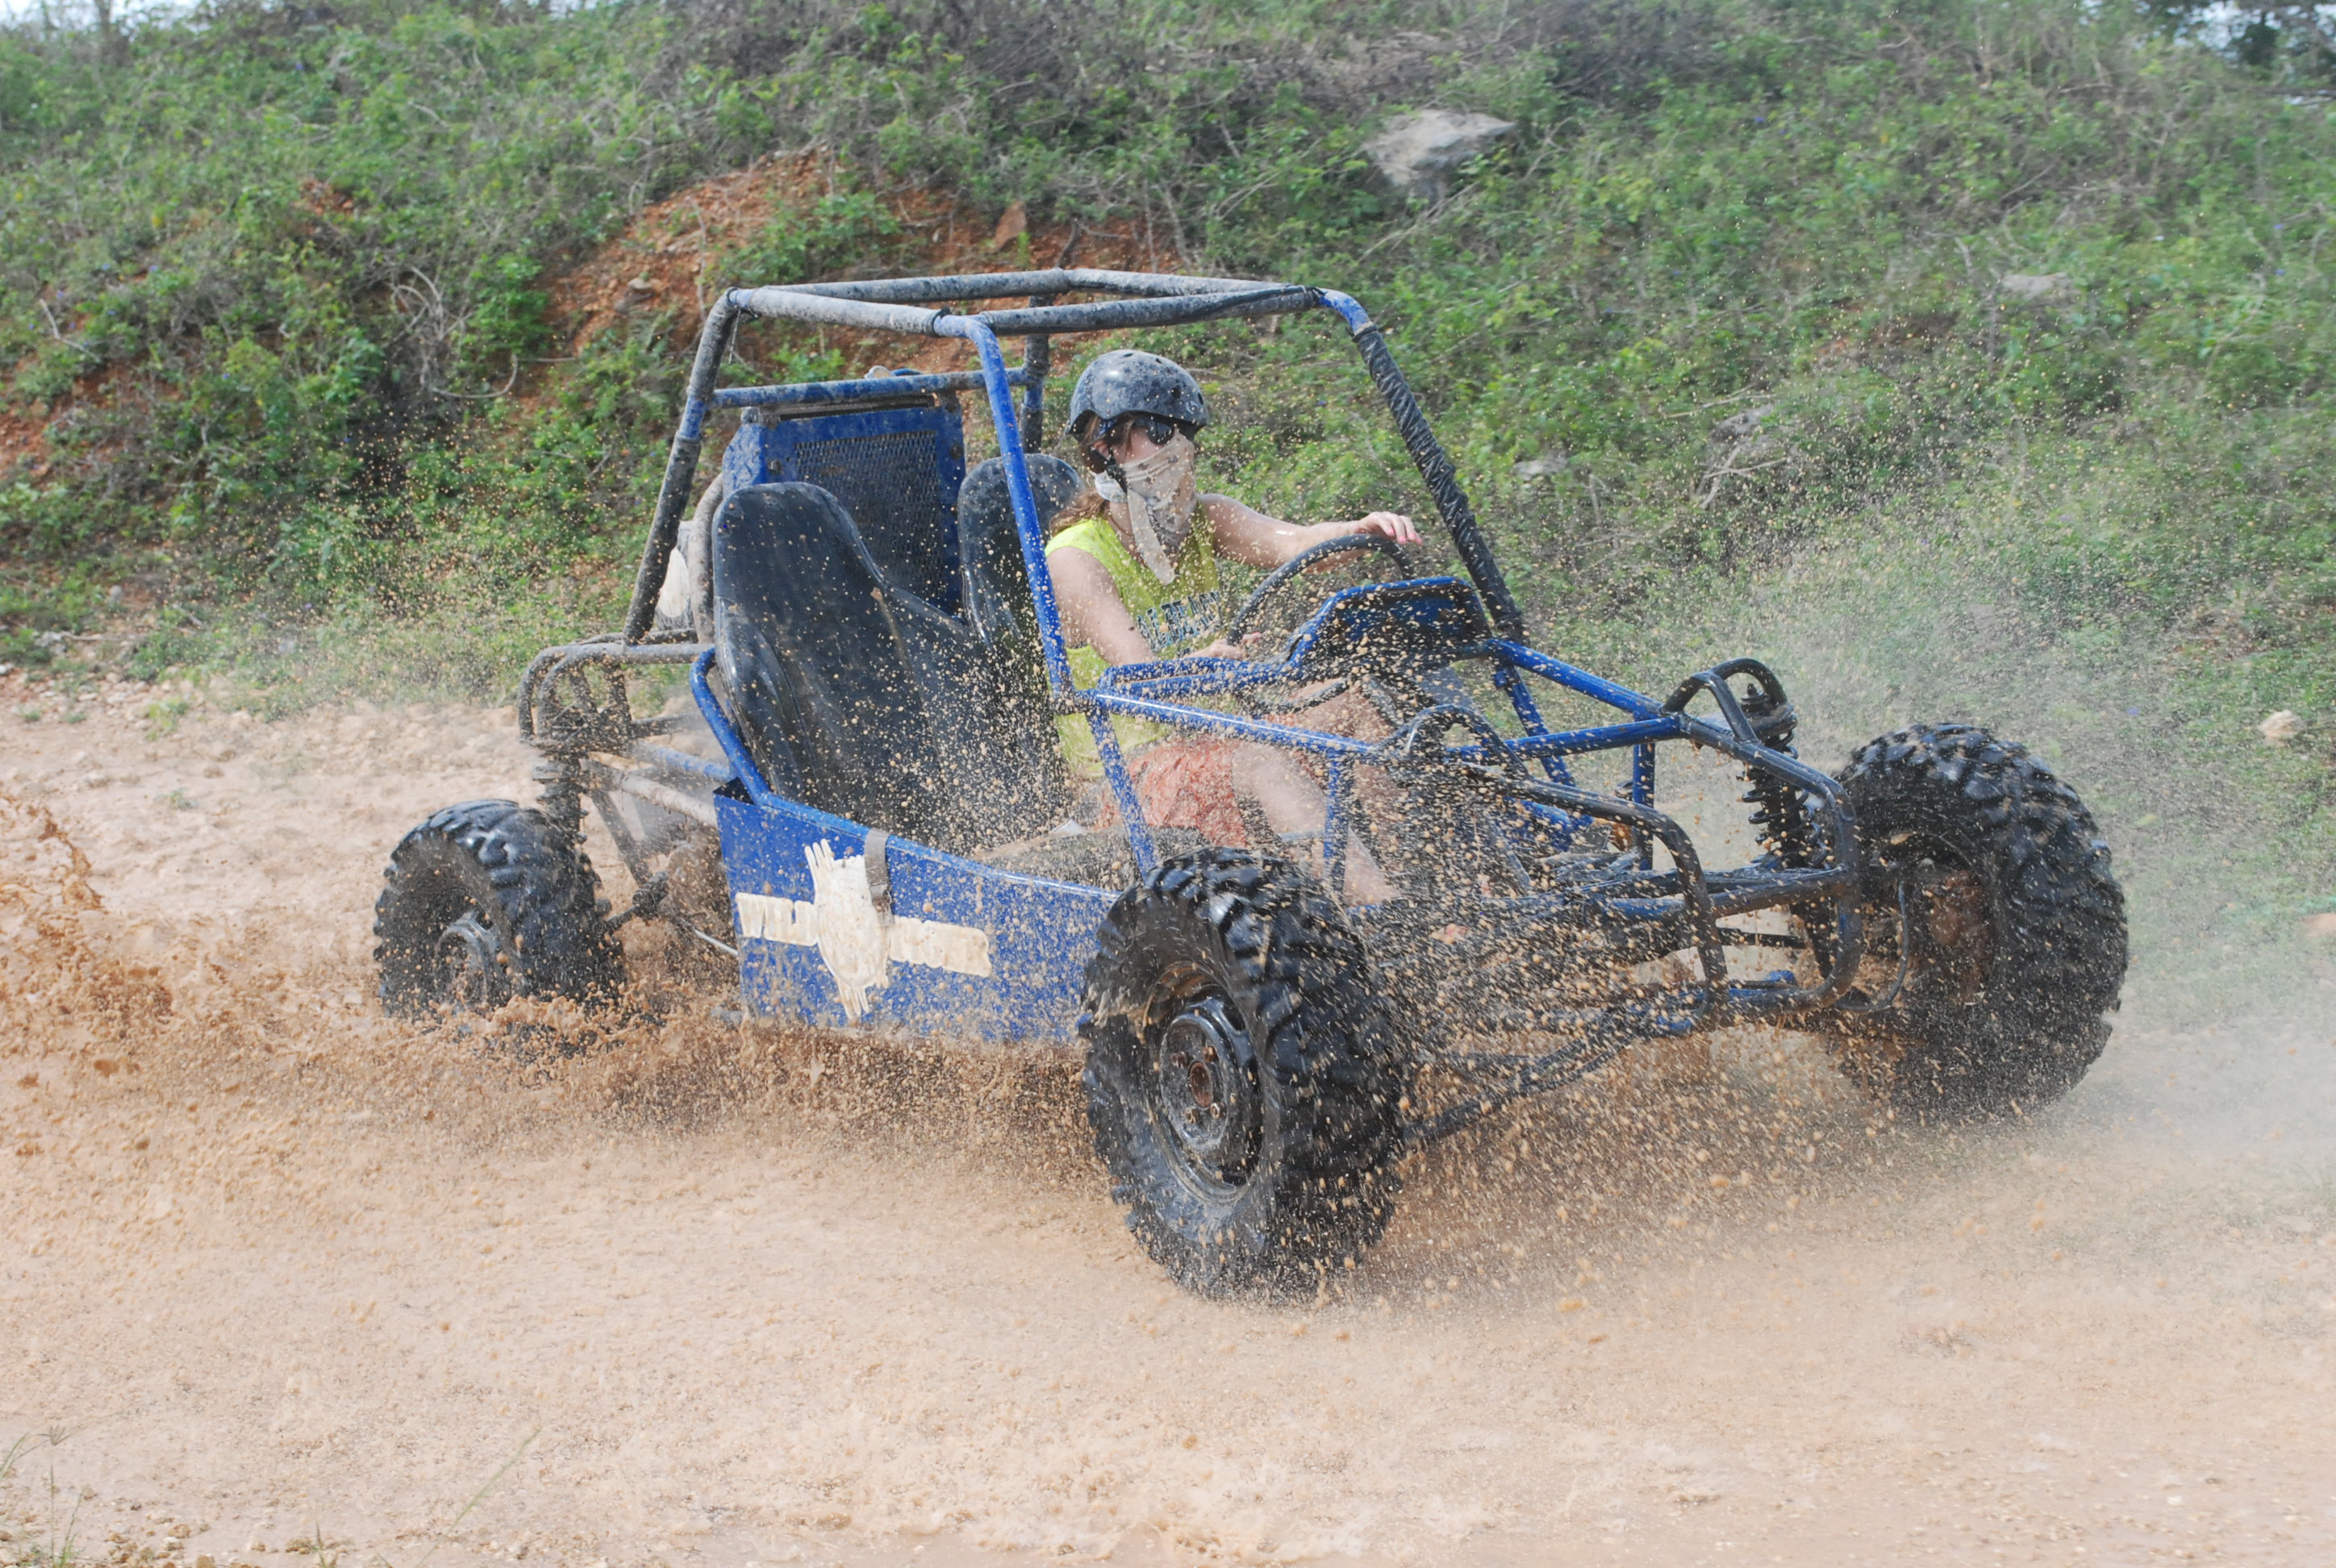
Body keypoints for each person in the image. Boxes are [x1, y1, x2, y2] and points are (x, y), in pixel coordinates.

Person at [1045, 348, 1419, 903]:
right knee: (1260, 757)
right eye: (1156, 430)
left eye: (1181, 431)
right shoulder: (1075, 557)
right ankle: (1388, 912)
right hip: (1128, 777)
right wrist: (1204, 665)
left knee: (1358, 704)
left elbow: (1293, 545)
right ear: (1105, 448)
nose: (1178, 447)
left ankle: (1430, 880)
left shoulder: (1205, 519)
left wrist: (1359, 529)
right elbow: (1142, 678)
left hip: (1217, 738)